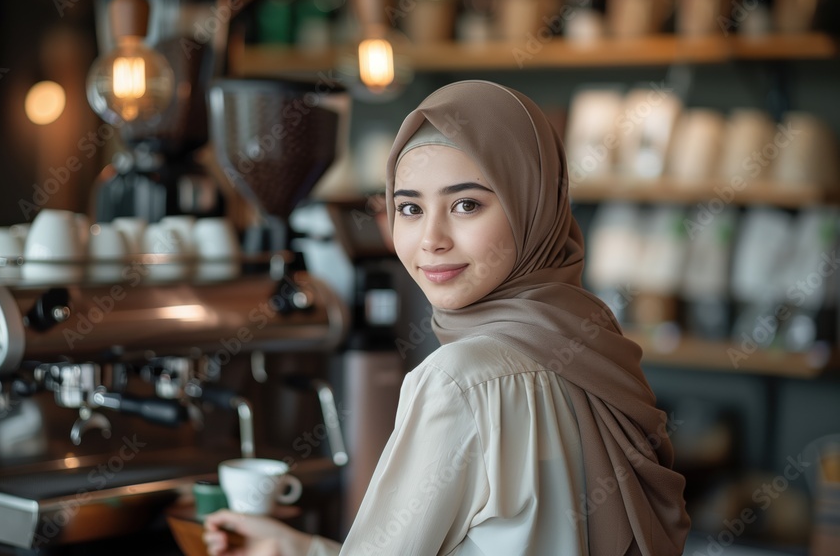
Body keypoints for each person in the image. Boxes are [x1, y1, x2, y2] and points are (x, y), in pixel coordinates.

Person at [203, 80, 691, 555]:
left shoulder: (457, 381)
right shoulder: (597, 344)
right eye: (410, 209)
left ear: (532, 205)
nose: (432, 238)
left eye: (465, 204)